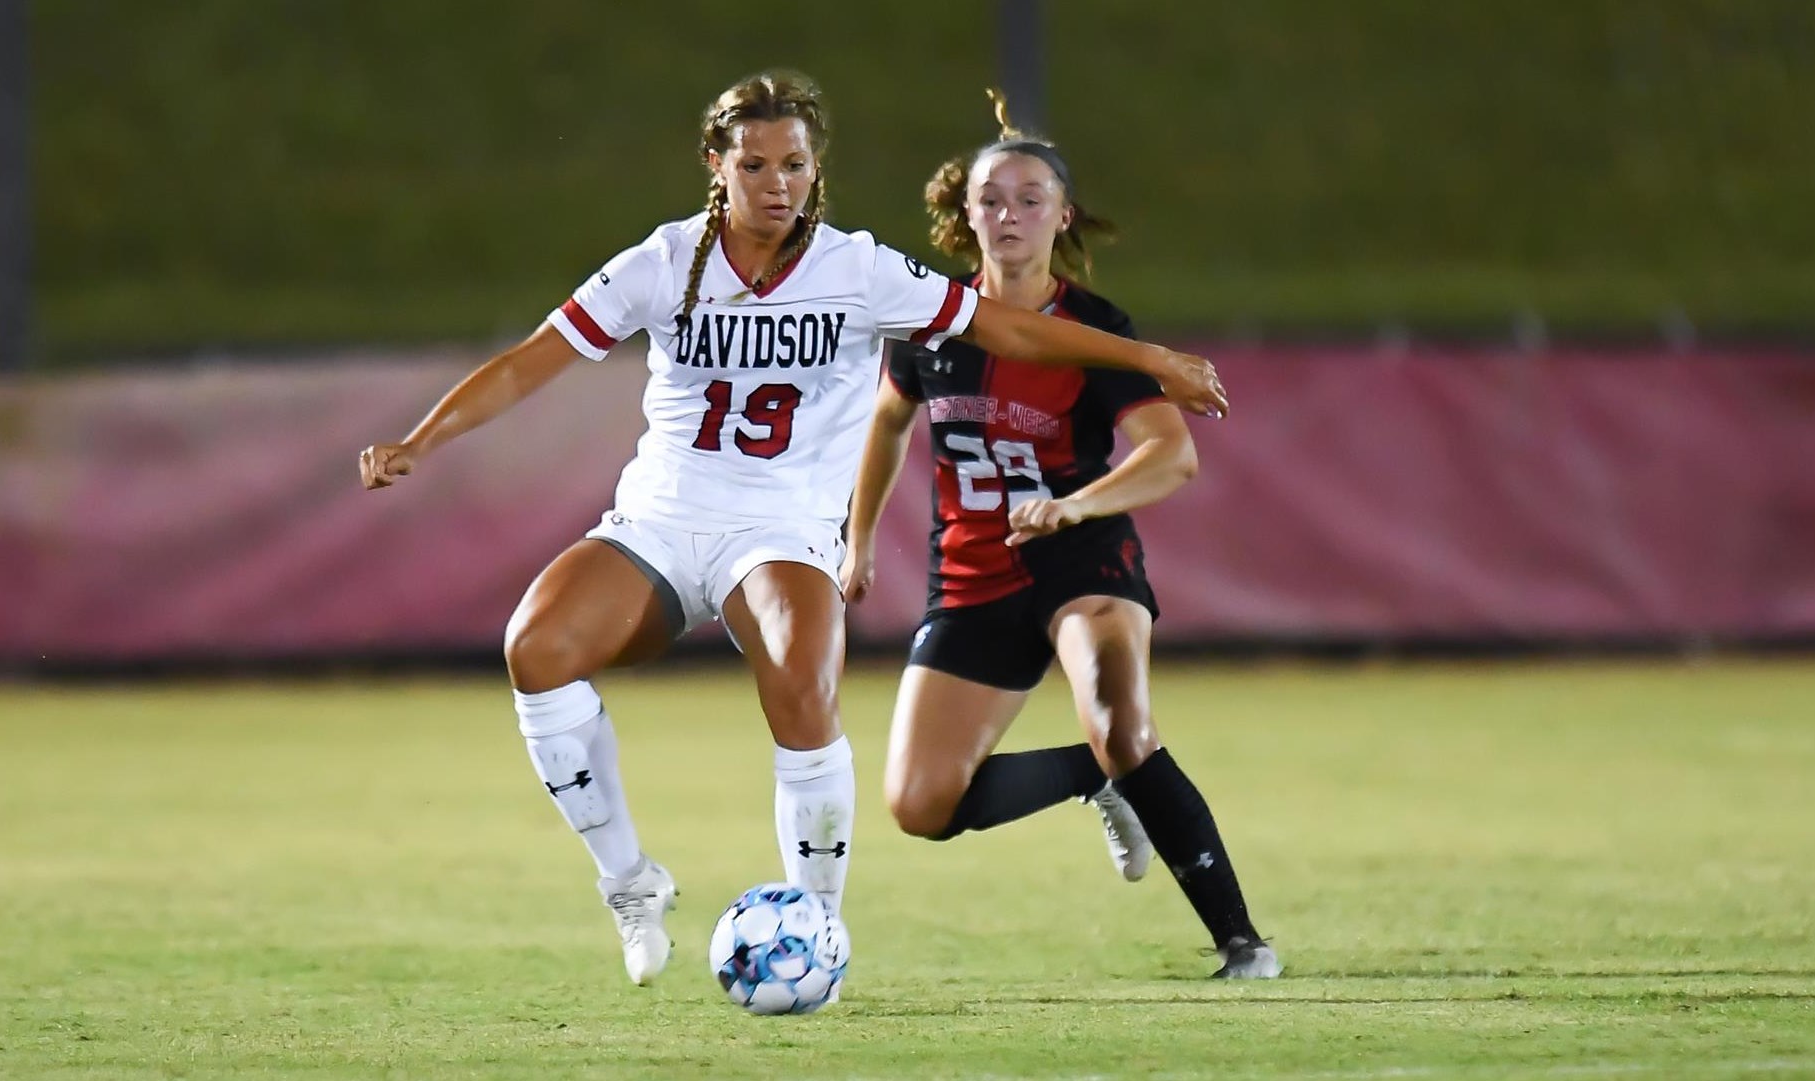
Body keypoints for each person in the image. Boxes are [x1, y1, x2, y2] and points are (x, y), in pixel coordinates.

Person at [359, 71, 1230, 988]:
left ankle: (816, 928)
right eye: (756, 164)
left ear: (817, 170)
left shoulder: (856, 269)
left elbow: (1006, 329)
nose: (778, 183)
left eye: (796, 165)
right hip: (660, 517)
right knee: (533, 647)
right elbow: (533, 359)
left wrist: (1146, 358)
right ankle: (630, 881)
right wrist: (422, 438)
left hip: (779, 527)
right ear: (717, 166)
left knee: (803, 678)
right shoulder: (662, 260)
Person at [839, 91, 1280, 979]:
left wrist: (1078, 505)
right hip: (972, 573)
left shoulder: (1093, 331)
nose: (1009, 214)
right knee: (919, 803)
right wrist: (856, 541)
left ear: (1061, 216)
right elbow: (886, 423)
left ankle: (1241, 941)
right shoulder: (928, 326)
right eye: (991, 198)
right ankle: (1093, 776)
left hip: (1083, 558)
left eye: (1029, 198)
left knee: (1122, 720)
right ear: (963, 214)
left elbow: (1171, 455)